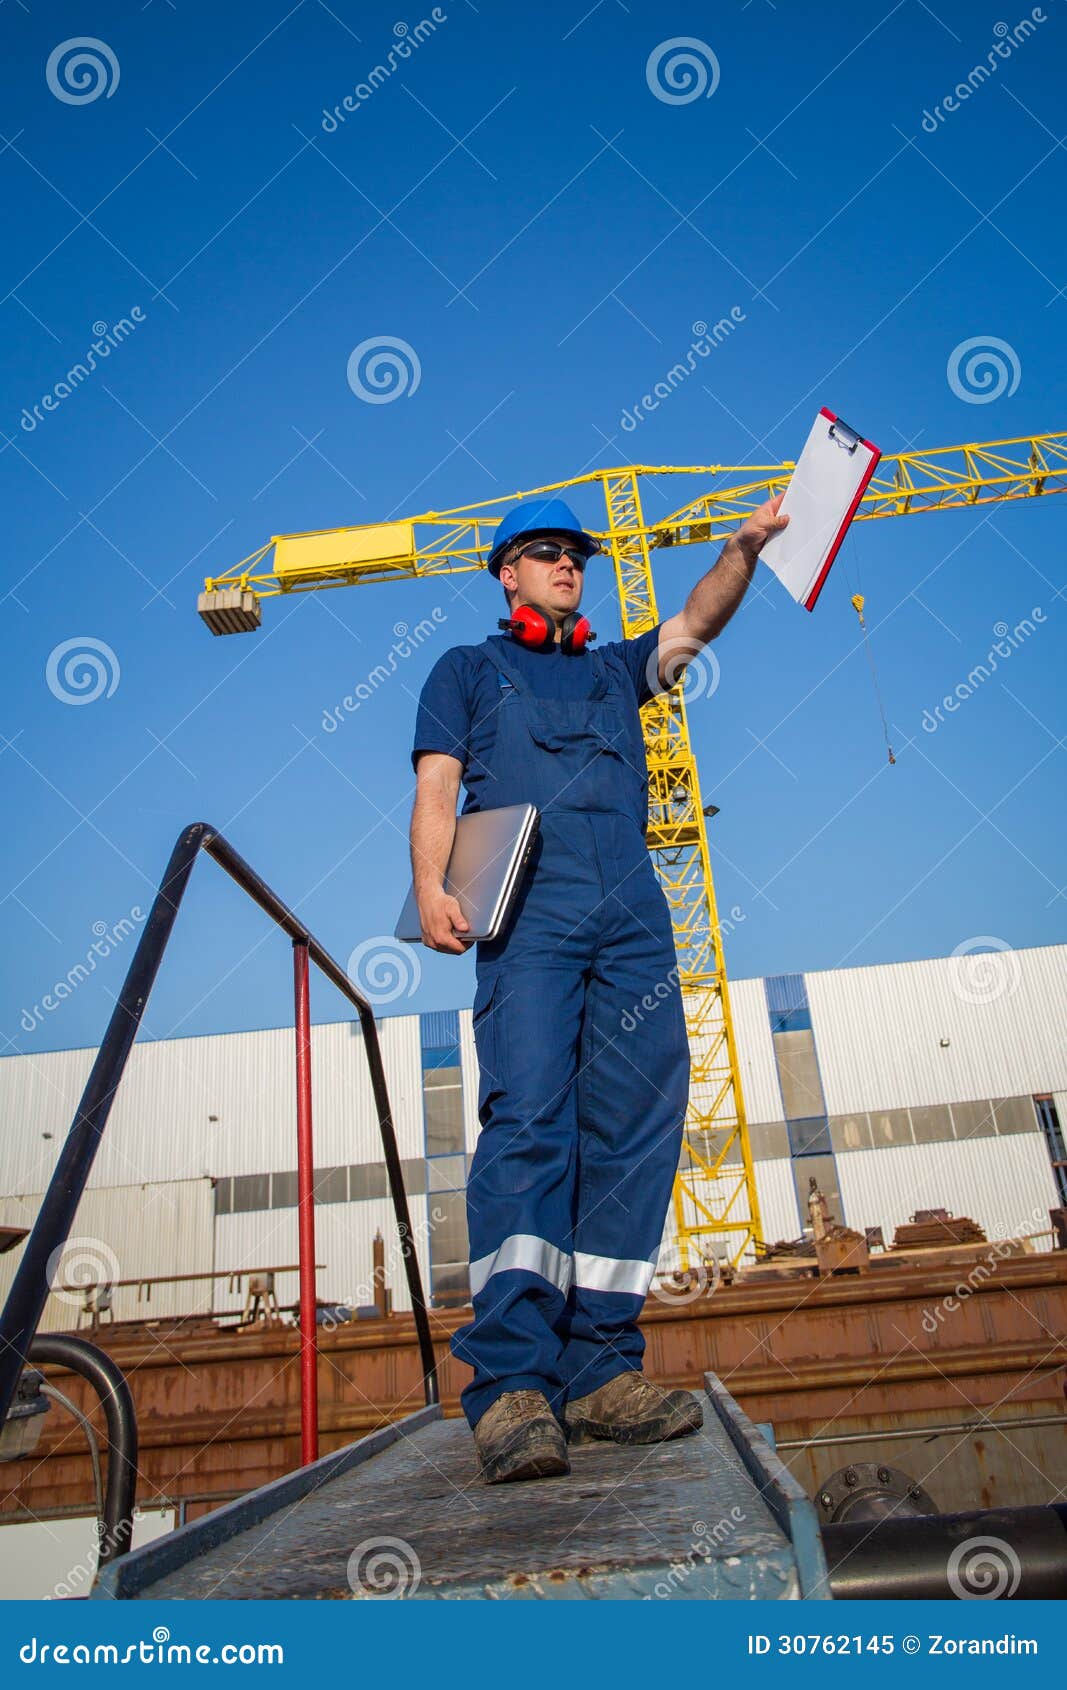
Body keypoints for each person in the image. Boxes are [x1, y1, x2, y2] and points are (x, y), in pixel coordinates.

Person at [408, 489, 788, 1483]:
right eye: (543, 553)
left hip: (630, 918)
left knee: (632, 1123)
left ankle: (600, 1370)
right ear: (507, 573)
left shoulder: (617, 667)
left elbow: (697, 617)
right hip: (530, 918)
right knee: (531, 1119)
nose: (566, 565)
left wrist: (741, 547)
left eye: (574, 554)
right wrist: (427, 885)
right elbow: (437, 787)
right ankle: (512, 1384)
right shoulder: (466, 668)